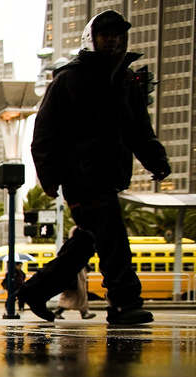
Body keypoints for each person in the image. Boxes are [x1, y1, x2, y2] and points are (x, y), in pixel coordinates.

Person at [22, 10, 170, 325]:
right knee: (113, 239)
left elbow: (139, 129)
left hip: (109, 175)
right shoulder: (70, 79)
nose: (114, 41)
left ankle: (35, 290)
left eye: (119, 35)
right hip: (82, 178)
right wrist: (49, 177)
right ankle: (124, 303)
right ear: (91, 39)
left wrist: (157, 160)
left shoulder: (126, 81)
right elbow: (44, 133)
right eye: (106, 35)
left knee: (87, 242)